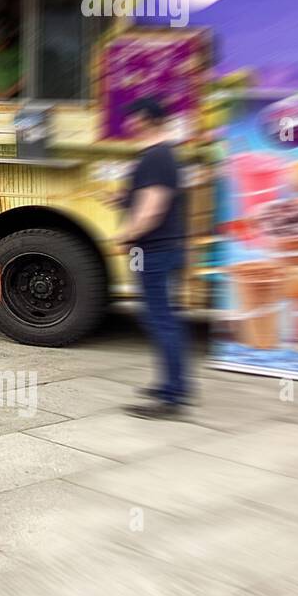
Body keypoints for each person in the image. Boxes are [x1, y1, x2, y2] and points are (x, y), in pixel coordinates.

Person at [117, 97, 189, 418]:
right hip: (166, 249)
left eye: (133, 117)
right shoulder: (166, 154)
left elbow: (153, 207)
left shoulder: (156, 157)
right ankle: (170, 385)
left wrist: (126, 234)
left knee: (161, 320)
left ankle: (172, 395)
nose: (130, 123)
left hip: (154, 251)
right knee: (164, 318)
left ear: (145, 119)